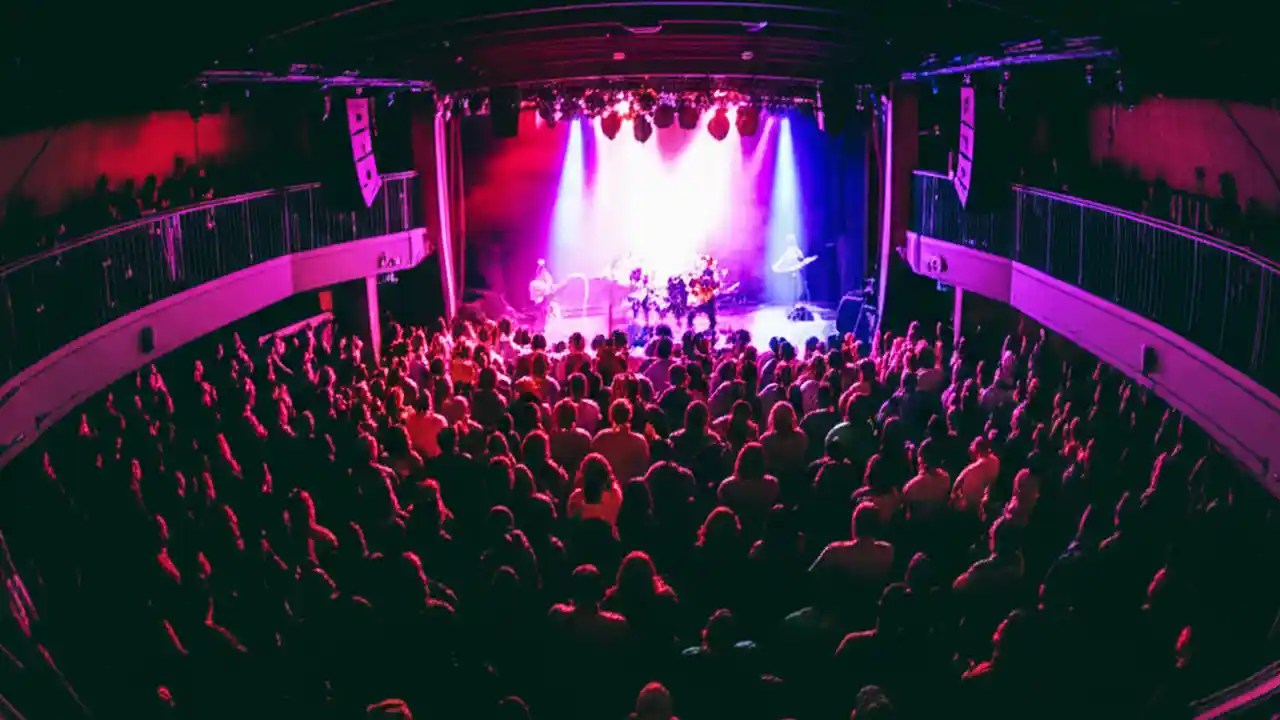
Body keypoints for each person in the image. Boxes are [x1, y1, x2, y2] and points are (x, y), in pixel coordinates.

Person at [687, 254, 721, 333]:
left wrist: (709, 282)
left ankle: (712, 331)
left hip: (709, 299)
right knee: (692, 313)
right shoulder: (700, 273)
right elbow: (692, 284)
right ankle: (690, 327)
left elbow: (716, 284)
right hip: (702, 299)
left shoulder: (712, 272)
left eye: (705, 262)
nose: (703, 263)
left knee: (711, 317)